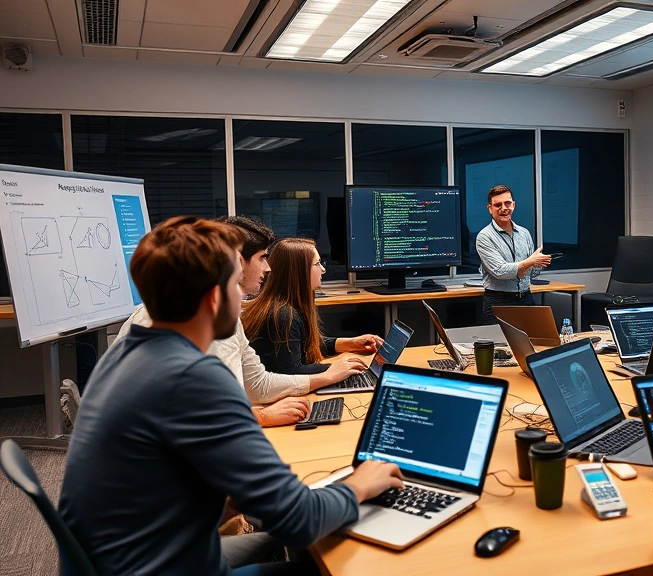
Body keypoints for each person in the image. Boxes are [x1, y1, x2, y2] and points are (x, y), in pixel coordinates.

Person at [59, 216, 404, 574]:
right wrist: (359, 485)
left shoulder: (127, 349)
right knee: (335, 561)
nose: (243, 295)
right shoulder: (195, 376)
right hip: (165, 564)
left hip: (139, 552)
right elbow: (300, 520)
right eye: (234, 285)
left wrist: (247, 492)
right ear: (213, 298)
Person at [115, 216, 365, 427]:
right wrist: (262, 416)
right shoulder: (191, 320)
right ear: (235, 260)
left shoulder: (220, 314)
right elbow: (198, 418)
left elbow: (257, 383)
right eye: (262, 257)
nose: (268, 269)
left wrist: (325, 378)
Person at [243, 238, 382, 375]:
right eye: (317, 264)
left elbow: (305, 346)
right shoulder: (283, 315)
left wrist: (352, 343)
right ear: (299, 271)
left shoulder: (286, 304)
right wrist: (335, 367)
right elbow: (291, 371)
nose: (323, 270)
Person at [476, 184, 552, 324]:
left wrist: (540, 262)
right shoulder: (485, 237)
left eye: (507, 203)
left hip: (526, 297)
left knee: (535, 342)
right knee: (500, 345)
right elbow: (500, 271)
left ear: (514, 205)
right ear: (490, 208)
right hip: (499, 301)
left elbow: (533, 273)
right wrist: (528, 263)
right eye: (498, 205)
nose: (504, 208)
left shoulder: (524, 233)